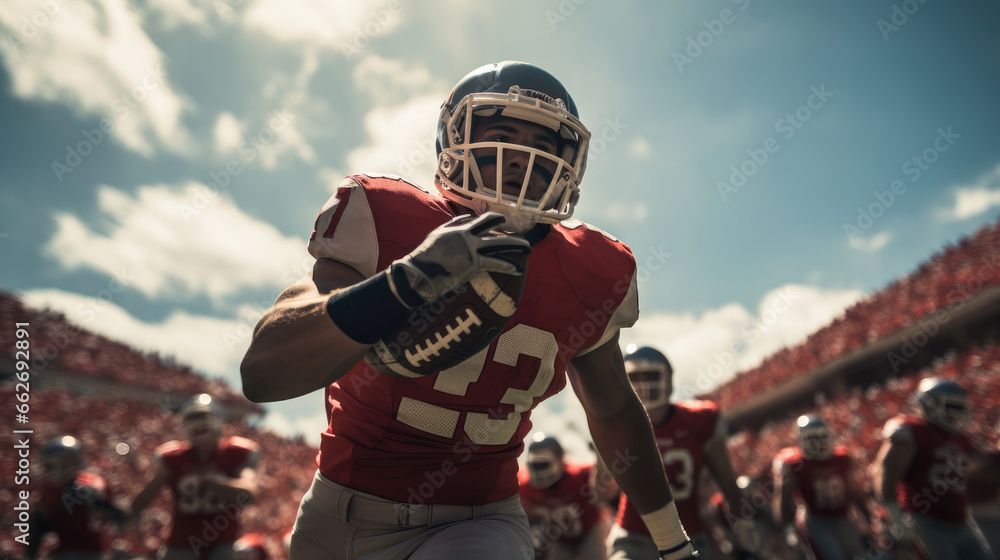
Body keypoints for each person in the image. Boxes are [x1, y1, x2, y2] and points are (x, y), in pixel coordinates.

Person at [240, 60, 699, 560]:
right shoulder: (386, 217)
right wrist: (404, 283)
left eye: (544, 146)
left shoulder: (593, 269)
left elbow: (613, 410)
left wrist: (673, 544)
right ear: (452, 141)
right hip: (338, 510)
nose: (523, 156)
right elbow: (264, 373)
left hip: (480, 520)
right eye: (503, 132)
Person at [602, 346, 762, 560]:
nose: (643, 384)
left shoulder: (699, 420)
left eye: (650, 375)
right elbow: (602, 493)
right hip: (634, 534)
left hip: (689, 534)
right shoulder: (618, 425)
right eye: (634, 377)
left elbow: (728, 483)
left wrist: (745, 538)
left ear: (667, 379)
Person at [871, 377, 992, 560]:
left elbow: (983, 468)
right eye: (953, 406)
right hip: (925, 522)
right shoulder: (912, 431)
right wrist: (895, 517)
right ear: (931, 404)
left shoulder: (960, 439)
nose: (959, 413)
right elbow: (884, 472)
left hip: (960, 522)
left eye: (961, 407)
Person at [128, 394, 260, 560]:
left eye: (203, 416)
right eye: (193, 417)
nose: (198, 422)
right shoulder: (172, 457)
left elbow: (249, 493)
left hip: (222, 542)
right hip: (181, 541)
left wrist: (214, 483)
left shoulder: (235, 453)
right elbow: (138, 503)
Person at [772, 415, 873, 560]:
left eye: (820, 437)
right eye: (811, 438)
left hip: (844, 516)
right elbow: (783, 497)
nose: (817, 443)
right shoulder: (796, 465)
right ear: (801, 440)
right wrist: (789, 529)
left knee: (859, 555)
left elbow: (854, 491)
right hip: (817, 521)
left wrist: (869, 518)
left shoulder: (841, 459)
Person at [26, 436, 126, 560]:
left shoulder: (89, 483)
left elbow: (114, 513)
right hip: (64, 551)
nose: (48, 470)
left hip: (90, 552)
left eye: (51, 465)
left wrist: (92, 500)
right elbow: (40, 528)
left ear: (68, 461)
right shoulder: (50, 489)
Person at [518, 435, 609, 560]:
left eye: (543, 464)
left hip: (590, 531)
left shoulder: (580, 477)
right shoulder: (524, 486)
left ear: (559, 459)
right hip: (558, 537)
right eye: (534, 465)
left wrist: (601, 456)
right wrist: (540, 512)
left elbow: (602, 482)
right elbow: (521, 509)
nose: (538, 470)